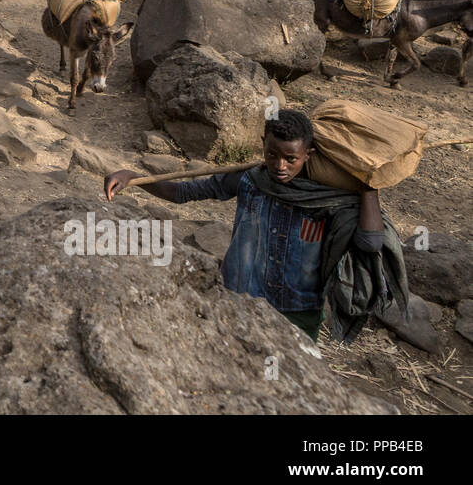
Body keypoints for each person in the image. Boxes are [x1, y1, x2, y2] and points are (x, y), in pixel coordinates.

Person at [103, 110, 406, 343]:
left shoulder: (327, 199)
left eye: (291, 158)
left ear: (308, 155)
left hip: (297, 312)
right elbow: (185, 193)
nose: (280, 166)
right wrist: (134, 177)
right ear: (262, 144)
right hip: (240, 299)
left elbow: (369, 243)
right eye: (272, 155)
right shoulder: (250, 180)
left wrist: (368, 187)